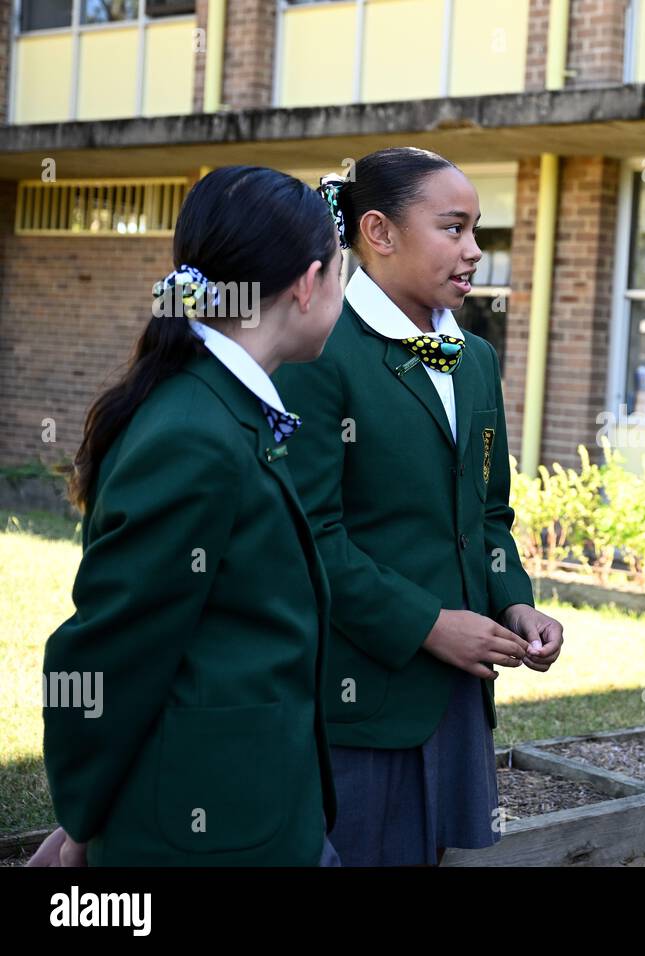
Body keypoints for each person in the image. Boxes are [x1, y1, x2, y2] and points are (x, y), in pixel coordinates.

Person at [33, 165, 344, 866]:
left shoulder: (223, 407)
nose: (343, 293)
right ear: (306, 282)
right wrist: (82, 823)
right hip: (207, 837)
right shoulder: (195, 434)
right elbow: (105, 653)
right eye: (341, 273)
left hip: (256, 810)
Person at [273, 147, 563, 866]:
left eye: (477, 231)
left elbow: (489, 517)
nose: (475, 252)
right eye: (454, 229)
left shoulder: (476, 358)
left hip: (459, 688)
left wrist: (514, 602)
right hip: (363, 693)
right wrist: (428, 625)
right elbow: (309, 535)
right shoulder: (321, 352)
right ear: (378, 231)